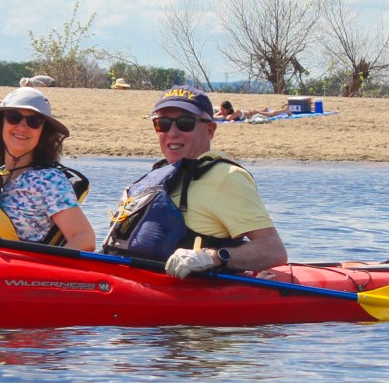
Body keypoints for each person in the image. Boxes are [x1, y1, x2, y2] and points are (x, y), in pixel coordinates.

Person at [103, 86, 289, 277]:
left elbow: (273, 251)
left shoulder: (227, 177)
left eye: (185, 123)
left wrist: (212, 257)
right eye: (163, 124)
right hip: (125, 281)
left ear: (210, 130)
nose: (172, 133)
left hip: (181, 295)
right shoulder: (160, 173)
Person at [0, 88, 95, 250]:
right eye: (14, 118)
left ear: (43, 132)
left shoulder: (48, 181)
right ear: (0, 123)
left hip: (13, 274)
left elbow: (85, 238)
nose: (22, 127)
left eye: (34, 122)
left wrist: (40, 272)